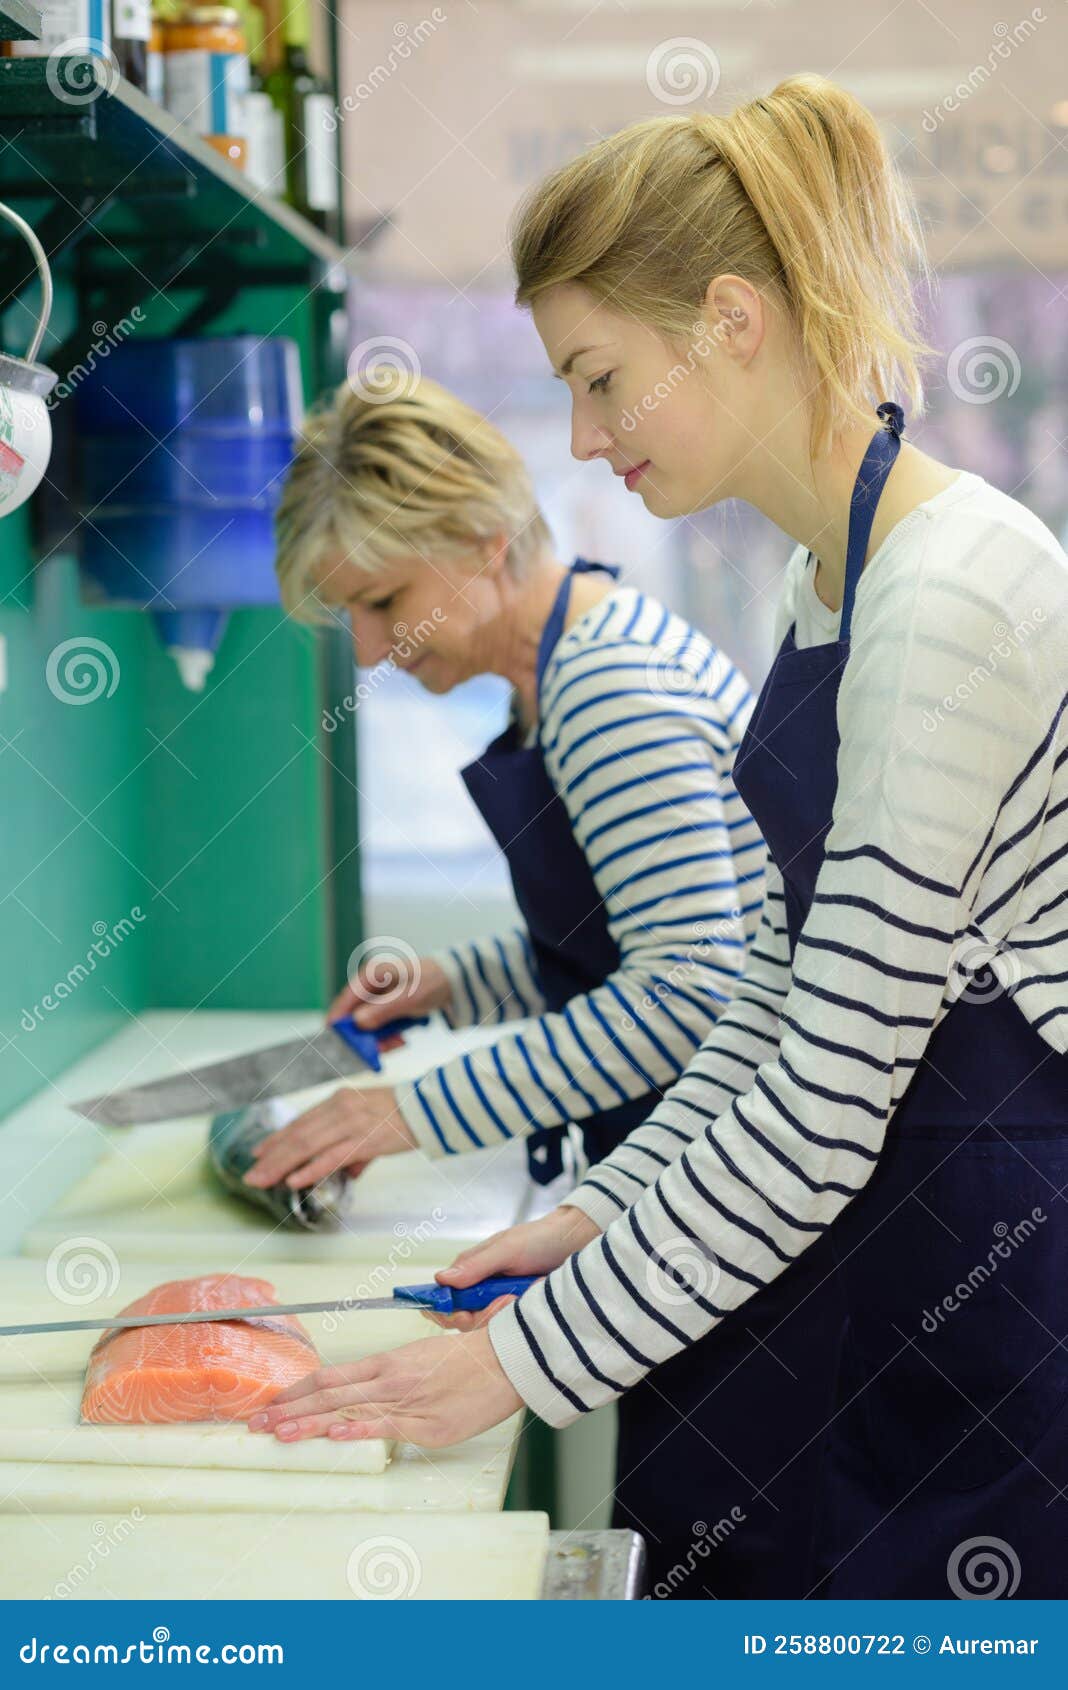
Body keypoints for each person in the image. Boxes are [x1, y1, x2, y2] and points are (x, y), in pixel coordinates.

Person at [249, 75, 1068, 1599]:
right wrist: (594, 1211)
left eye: (601, 375)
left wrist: (519, 1365)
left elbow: (821, 1097)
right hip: (897, 1241)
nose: (581, 432)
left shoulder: (947, 595)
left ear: (731, 320)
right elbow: (764, 989)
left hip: (999, 1279)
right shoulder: (827, 586)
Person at [251, 374, 847, 1595]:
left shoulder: (607, 690)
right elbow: (622, 946)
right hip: (676, 1181)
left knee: (723, 1566)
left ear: (478, 541)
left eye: (382, 603)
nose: (368, 649)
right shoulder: (565, 667)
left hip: (729, 1206)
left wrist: (407, 1110)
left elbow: (692, 991)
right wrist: (448, 985)